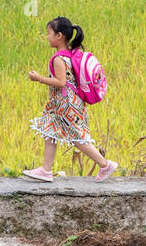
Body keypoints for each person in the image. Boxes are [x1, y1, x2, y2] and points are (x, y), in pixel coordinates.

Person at [24, 16, 118, 182]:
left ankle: (105, 164)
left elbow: (61, 82)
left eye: (49, 33)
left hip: (67, 105)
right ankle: (46, 170)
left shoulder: (59, 59)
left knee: (77, 138)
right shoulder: (69, 55)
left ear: (59, 36)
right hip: (61, 105)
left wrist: (39, 78)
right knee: (50, 131)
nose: (47, 36)